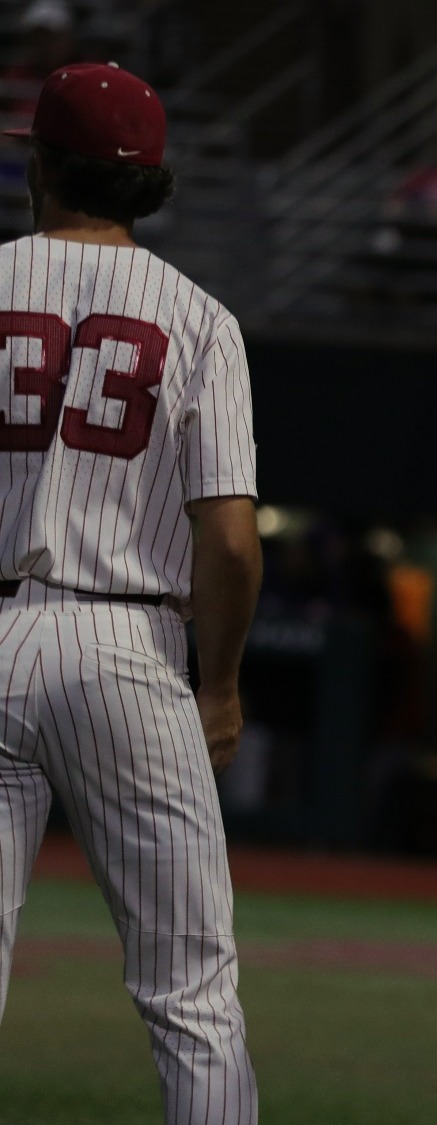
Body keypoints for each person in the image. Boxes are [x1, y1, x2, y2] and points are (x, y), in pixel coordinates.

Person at [0, 64, 262, 1123]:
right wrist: (223, 686)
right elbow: (233, 543)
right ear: (150, 182)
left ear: (40, 165)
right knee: (190, 996)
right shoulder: (200, 317)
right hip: (128, 644)